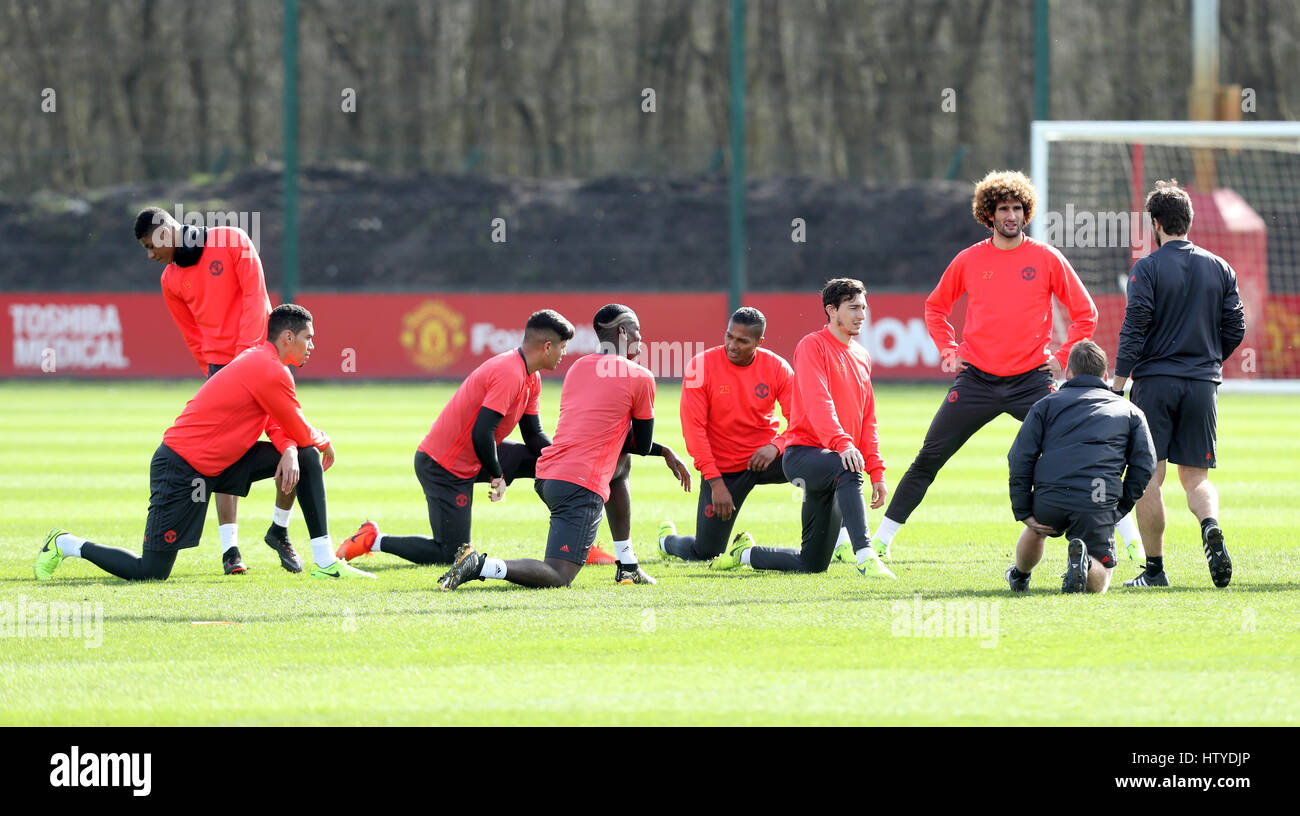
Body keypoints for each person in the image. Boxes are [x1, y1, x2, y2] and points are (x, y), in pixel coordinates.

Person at [34, 305, 372, 582]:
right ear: (287, 337)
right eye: (308, 338)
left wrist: (289, 450)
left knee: (305, 455)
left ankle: (324, 562)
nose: (312, 345)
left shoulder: (265, 361)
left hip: (220, 464)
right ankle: (64, 543)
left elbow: (280, 422)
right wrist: (323, 442)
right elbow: (300, 428)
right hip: (181, 467)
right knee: (150, 572)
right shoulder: (269, 368)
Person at [872, 170, 1098, 559]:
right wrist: (947, 348)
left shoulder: (1046, 258)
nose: (1011, 215)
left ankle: (1120, 542)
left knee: (1077, 451)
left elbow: (1086, 315)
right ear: (988, 215)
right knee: (929, 457)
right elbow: (935, 307)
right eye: (1002, 209)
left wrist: (1060, 360)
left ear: (1026, 212)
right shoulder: (970, 260)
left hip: (1032, 382)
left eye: (1017, 208)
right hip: (976, 381)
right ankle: (880, 542)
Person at [437, 304, 689, 590]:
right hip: (579, 486)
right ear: (622, 331)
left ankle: (628, 566)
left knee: (621, 466)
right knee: (558, 575)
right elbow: (641, 444)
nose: (641, 338)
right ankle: (480, 565)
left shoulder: (579, 367)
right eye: (637, 331)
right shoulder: (640, 376)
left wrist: (661, 450)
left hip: (547, 475)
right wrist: (663, 449)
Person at [134, 206, 300, 576]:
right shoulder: (170, 280)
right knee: (225, 453)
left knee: (292, 443)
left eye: (150, 245)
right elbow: (191, 334)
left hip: (260, 358)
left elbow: (255, 300)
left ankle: (281, 531)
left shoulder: (232, 240)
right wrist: (217, 379)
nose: (150, 255)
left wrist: (246, 360)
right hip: (221, 372)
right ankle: (231, 552)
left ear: (164, 233)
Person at [335, 310, 575, 565]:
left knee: (547, 463)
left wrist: (566, 458)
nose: (564, 354)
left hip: (476, 453)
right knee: (451, 554)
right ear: (547, 347)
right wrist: (498, 475)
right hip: (443, 466)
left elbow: (533, 435)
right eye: (563, 347)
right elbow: (481, 432)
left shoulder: (531, 376)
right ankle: (373, 539)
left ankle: (573, 541)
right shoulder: (509, 373)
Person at [709, 278, 894, 577]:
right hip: (803, 456)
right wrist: (843, 443)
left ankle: (744, 554)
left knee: (811, 564)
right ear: (831, 310)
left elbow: (868, 420)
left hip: (834, 459)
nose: (862, 315)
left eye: (864, 308)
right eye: (854, 308)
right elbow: (818, 402)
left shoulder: (862, 356)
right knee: (848, 468)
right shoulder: (812, 346)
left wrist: (877, 471)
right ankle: (866, 554)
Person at [1112, 179, 1246, 588]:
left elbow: (1134, 329)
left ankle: (1155, 571)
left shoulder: (1147, 268)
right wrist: (1207, 361)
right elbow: (1236, 327)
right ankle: (1209, 525)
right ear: (1189, 220)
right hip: (1202, 384)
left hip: (1154, 384)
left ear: (1156, 224)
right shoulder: (1220, 267)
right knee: (1197, 479)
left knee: (1149, 477)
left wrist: (1117, 386)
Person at [1005, 340, 1156, 594]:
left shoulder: (1044, 405)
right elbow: (1145, 464)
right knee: (1103, 577)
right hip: (1097, 498)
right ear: (1106, 375)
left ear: (1069, 373)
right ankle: (1085, 565)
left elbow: (1019, 456)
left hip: (1050, 495)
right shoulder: (1130, 411)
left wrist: (1023, 509)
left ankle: (1019, 576)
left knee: (1037, 526)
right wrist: (1119, 507)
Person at [659, 307, 807, 561]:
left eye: (742, 340)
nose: (732, 345)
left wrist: (777, 445)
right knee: (706, 553)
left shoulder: (777, 368)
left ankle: (832, 543)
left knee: (821, 468)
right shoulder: (700, 367)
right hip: (723, 469)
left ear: (759, 343)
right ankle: (666, 541)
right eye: (729, 336)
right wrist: (716, 482)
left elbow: (801, 420)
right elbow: (694, 430)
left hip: (768, 458)